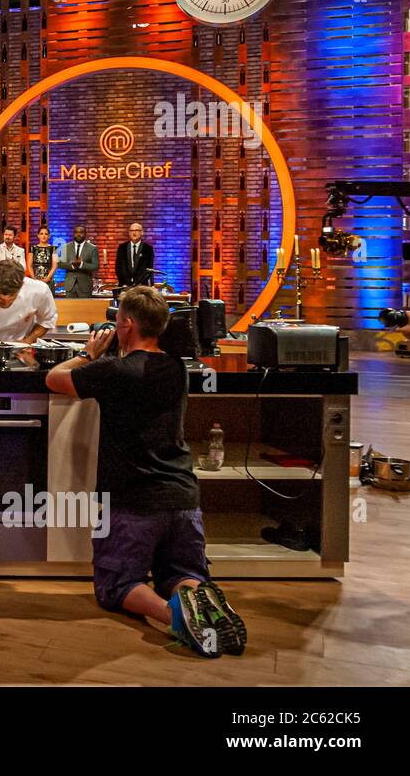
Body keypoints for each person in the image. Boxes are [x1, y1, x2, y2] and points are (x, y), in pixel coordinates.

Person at [44, 286, 245, 658]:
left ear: (127, 324)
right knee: (180, 573)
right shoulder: (176, 369)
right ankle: (195, 597)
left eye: (119, 319)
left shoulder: (114, 371)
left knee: (116, 586)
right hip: (184, 499)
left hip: (133, 502)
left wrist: (88, 355)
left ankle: (174, 617)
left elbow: (55, 379)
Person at [59, 225, 98, 298]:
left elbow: (95, 266)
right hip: (70, 286)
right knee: (70, 309)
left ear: (85, 234)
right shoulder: (65, 247)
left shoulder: (92, 248)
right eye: (76, 232)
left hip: (85, 286)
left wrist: (81, 264)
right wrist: (72, 265)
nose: (78, 234)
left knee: (84, 308)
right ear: (73, 234)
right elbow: (60, 264)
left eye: (81, 232)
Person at [115, 222, 154, 289]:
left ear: (142, 232)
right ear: (129, 233)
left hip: (141, 286)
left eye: (137, 230)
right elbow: (118, 268)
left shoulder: (148, 249)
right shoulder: (122, 248)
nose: (134, 233)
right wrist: (124, 283)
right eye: (132, 230)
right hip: (125, 286)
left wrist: (141, 283)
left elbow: (149, 269)